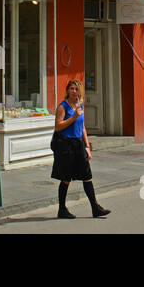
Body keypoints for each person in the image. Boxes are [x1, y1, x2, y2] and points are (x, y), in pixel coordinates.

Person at [50, 79, 109, 219]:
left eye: (76, 89)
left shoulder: (79, 105)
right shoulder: (62, 107)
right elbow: (58, 126)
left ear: (80, 91)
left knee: (87, 176)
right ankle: (62, 209)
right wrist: (73, 117)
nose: (74, 91)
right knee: (66, 179)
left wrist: (87, 146)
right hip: (65, 145)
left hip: (78, 144)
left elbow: (82, 127)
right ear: (67, 90)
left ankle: (95, 208)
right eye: (71, 88)